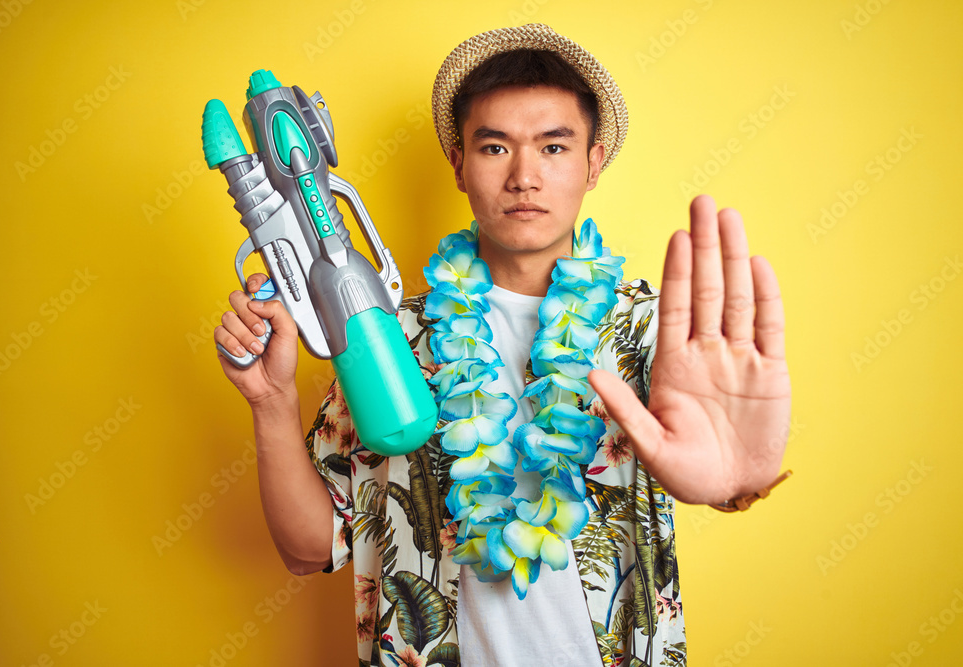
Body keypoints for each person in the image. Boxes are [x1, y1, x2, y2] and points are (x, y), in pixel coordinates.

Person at [214, 23, 791, 667]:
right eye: (494, 148)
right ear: (459, 165)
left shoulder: (655, 331)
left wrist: (738, 481)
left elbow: (719, 469)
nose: (524, 176)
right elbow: (307, 549)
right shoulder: (384, 333)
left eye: (553, 147)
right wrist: (269, 398)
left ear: (594, 162)